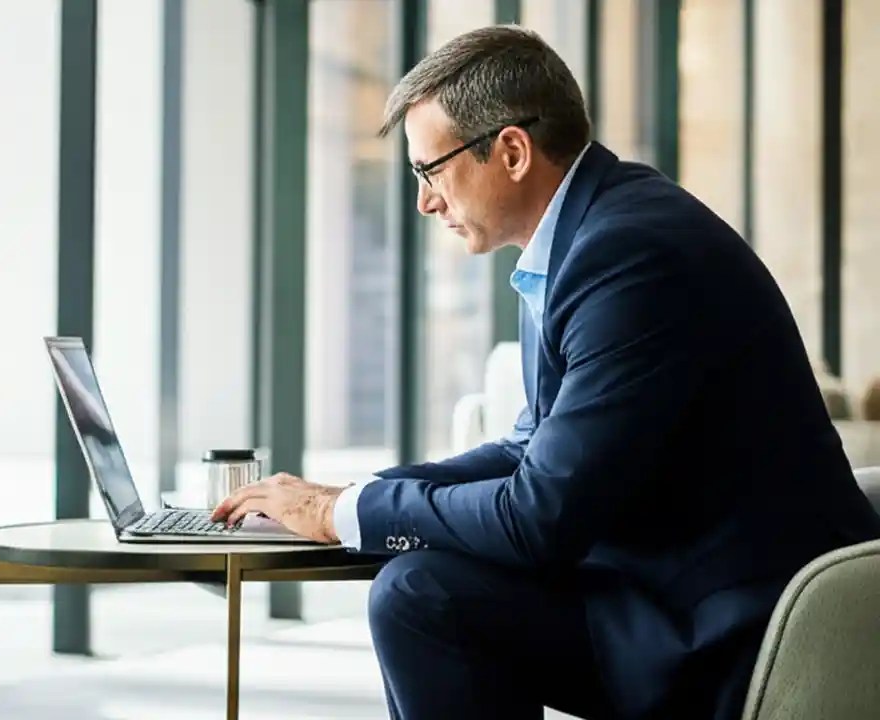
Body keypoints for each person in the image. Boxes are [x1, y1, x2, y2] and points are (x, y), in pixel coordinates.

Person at [211, 24, 880, 720]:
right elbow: (529, 452)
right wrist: (353, 495)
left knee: (420, 596)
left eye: (429, 170)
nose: (425, 202)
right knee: (422, 587)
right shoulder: (589, 234)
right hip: (664, 594)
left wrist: (338, 514)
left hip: (731, 630)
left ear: (511, 151)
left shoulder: (628, 255)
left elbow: (539, 517)